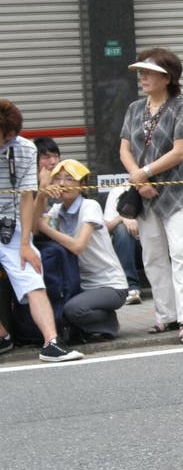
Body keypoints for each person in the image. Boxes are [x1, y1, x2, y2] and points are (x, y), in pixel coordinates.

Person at [119, 48, 183, 343]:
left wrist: (145, 171)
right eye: (141, 72)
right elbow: (124, 149)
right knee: (152, 257)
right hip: (145, 196)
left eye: (148, 71)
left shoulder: (182, 107)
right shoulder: (134, 108)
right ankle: (165, 316)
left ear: (168, 77)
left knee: (181, 254)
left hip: (177, 195)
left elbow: (180, 151)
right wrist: (140, 181)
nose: (143, 77)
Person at [0, 99, 83, 362]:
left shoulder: (24, 149)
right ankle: (2, 335)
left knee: (32, 274)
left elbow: (26, 197)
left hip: (11, 224)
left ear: (11, 134)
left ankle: (52, 342)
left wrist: (25, 242)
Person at [34, 159, 128, 338]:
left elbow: (78, 246)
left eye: (69, 179)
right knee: (57, 312)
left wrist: (46, 228)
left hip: (110, 285)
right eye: (58, 179)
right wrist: (41, 194)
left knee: (73, 310)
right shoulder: (57, 209)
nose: (62, 183)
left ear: (82, 185)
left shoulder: (90, 206)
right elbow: (34, 229)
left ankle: (108, 323)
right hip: (81, 285)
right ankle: (91, 325)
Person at [102, 184, 143, 305]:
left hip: (153, 244)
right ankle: (131, 288)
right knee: (121, 230)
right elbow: (106, 229)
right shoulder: (119, 191)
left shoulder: (156, 189)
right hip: (129, 248)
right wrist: (122, 218)